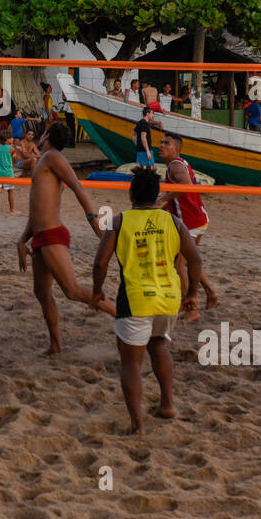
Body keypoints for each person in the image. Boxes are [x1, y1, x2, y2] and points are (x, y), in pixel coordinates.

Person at [92, 166, 202, 436]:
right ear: (157, 196)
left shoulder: (119, 221)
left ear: (131, 194)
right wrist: (192, 295)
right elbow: (196, 259)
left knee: (131, 363)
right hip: (168, 298)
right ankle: (167, 404)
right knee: (158, 346)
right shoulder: (173, 222)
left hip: (135, 298)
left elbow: (100, 263)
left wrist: (96, 291)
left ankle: (137, 425)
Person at [13, 122, 112, 353]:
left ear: (46, 136)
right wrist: (21, 240)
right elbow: (37, 209)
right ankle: (55, 345)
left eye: (42, 132)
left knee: (73, 291)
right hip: (39, 234)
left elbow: (78, 187)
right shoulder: (43, 161)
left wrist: (92, 219)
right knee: (41, 292)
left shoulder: (53, 157)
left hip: (52, 234)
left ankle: (124, 316)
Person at [155, 133, 218, 321]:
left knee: (178, 264)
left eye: (166, 143)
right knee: (191, 261)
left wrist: (163, 199)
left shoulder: (175, 166)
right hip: (197, 218)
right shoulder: (175, 165)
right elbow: (180, 193)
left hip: (191, 222)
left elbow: (186, 186)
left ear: (176, 149)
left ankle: (191, 308)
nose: (161, 146)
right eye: (161, 142)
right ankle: (211, 292)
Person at [0, 127, 21, 215]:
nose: (13, 139)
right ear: (7, 139)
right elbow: (15, 160)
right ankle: (12, 210)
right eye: (11, 137)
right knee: (10, 191)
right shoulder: (11, 149)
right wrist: (17, 150)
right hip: (8, 172)